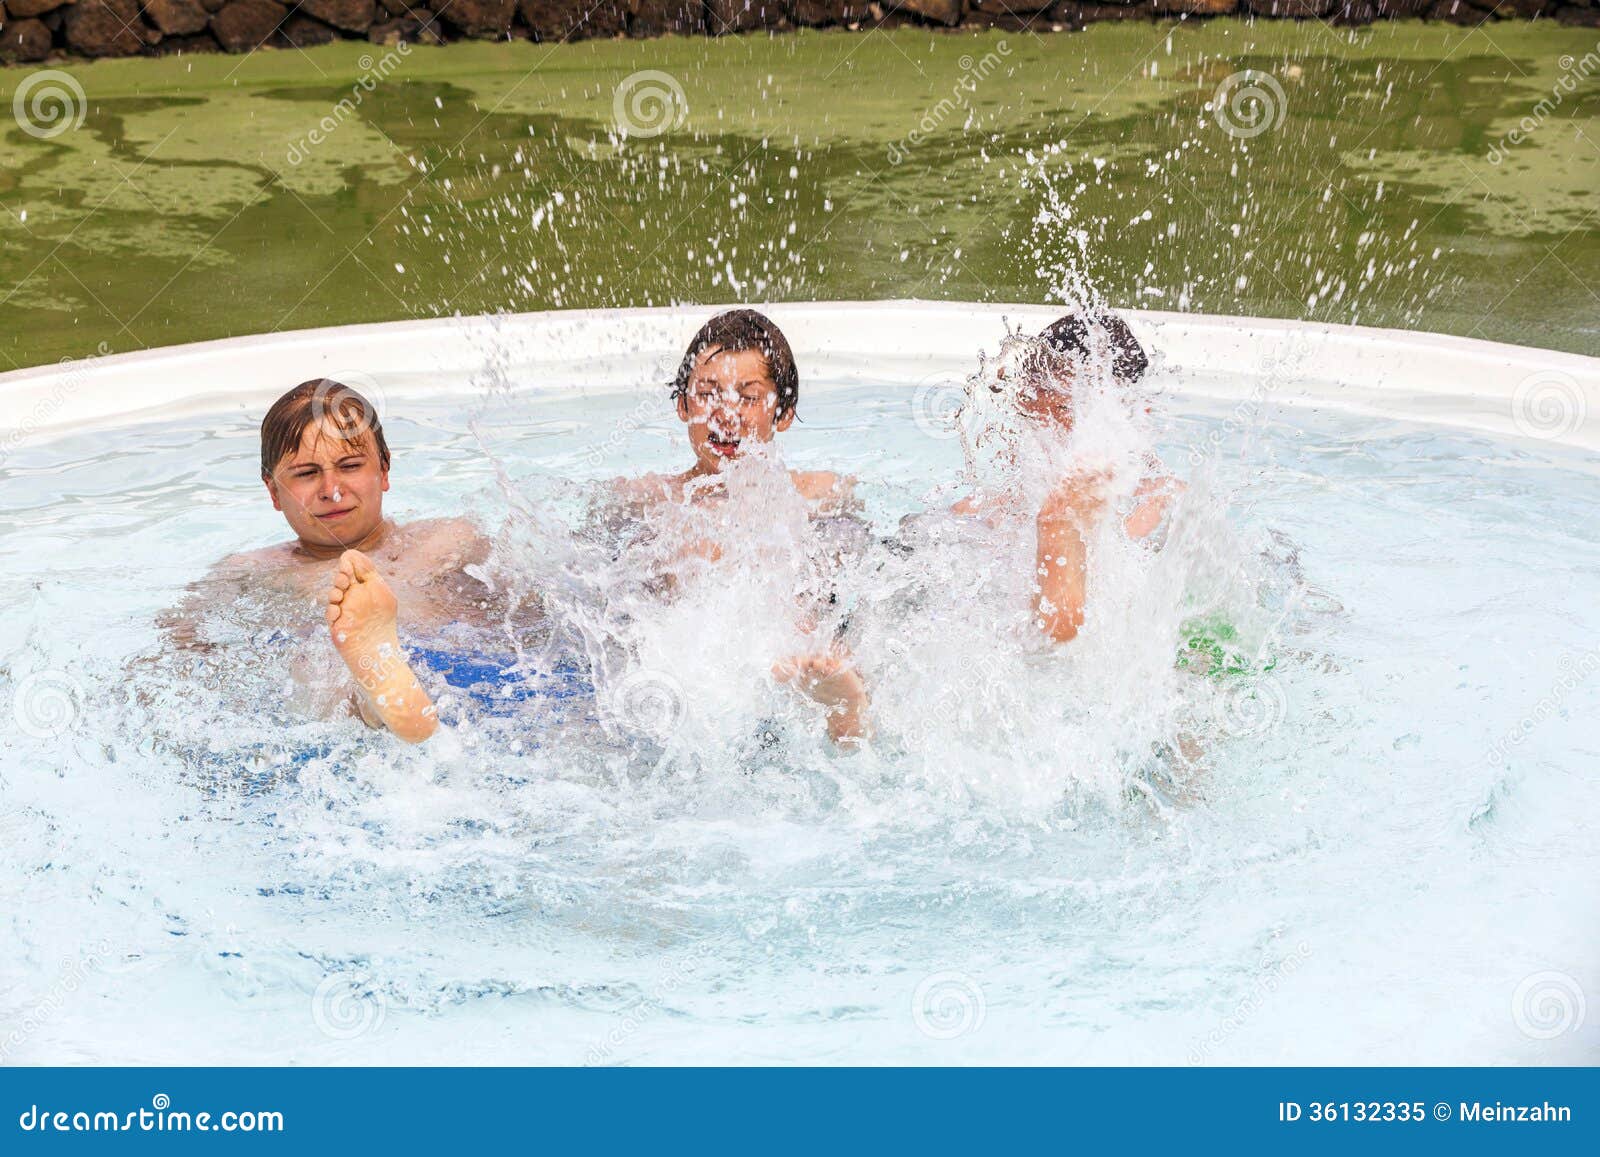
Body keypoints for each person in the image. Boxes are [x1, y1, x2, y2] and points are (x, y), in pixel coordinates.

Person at [163, 379, 498, 744]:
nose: (331, 491)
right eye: (307, 474)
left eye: (350, 466)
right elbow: (176, 652)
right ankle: (375, 692)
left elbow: (530, 614)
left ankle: (380, 689)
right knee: (311, 665)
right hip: (363, 688)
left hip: (461, 663)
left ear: (384, 470)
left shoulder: (449, 540)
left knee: (318, 663)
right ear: (273, 491)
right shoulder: (247, 572)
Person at [613, 308, 871, 746]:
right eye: (708, 393)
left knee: (832, 593)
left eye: (749, 397)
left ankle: (843, 711)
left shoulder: (820, 496)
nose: (726, 414)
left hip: (795, 652)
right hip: (684, 670)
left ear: (783, 412)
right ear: (682, 405)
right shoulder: (645, 500)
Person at [951, 310, 1182, 644]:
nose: (1036, 418)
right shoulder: (992, 507)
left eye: (1060, 409)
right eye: (1029, 400)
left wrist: (1057, 525)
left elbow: (1072, 622)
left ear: (1125, 413)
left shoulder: (1160, 503)